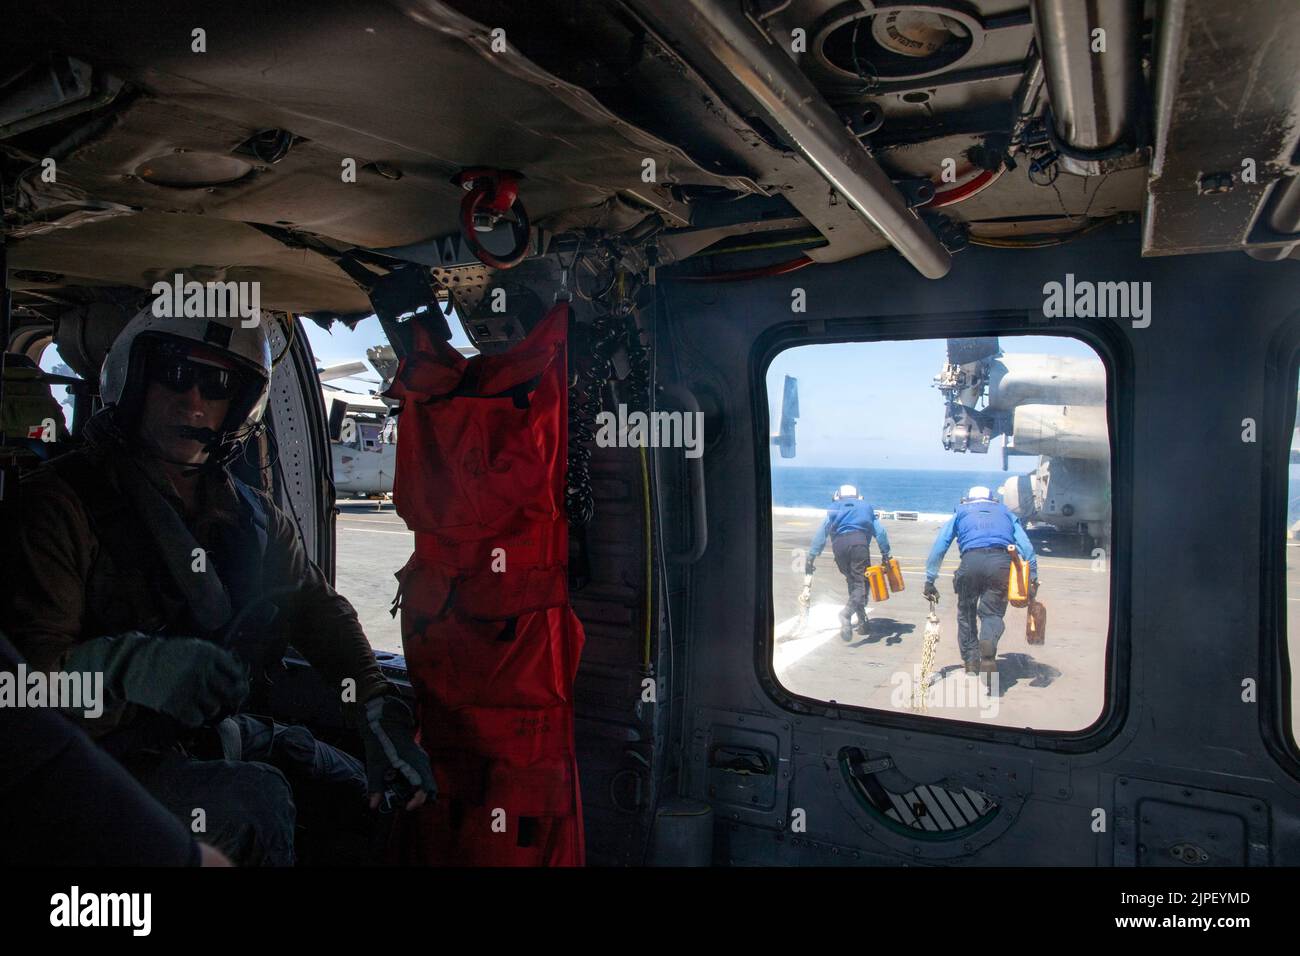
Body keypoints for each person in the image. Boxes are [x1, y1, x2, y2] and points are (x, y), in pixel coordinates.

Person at [0, 304, 436, 865]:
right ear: (133, 380)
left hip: (202, 734)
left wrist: (375, 706)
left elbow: (315, 609)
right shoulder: (58, 507)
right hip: (93, 759)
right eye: (176, 373)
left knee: (360, 790)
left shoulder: (251, 513)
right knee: (256, 798)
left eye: (220, 383)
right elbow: (24, 692)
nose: (195, 400)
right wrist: (127, 669)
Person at [923, 486, 1040, 674]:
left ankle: (971, 662)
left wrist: (930, 579)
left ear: (967, 499)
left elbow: (940, 545)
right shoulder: (1005, 513)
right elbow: (1025, 546)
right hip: (1001, 564)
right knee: (993, 613)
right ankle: (988, 644)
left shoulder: (961, 513)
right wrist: (1033, 576)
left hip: (971, 561)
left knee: (966, 613)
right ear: (993, 500)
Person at [802, 484, 893, 641]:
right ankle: (846, 615)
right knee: (861, 585)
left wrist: (811, 556)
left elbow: (821, 533)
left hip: (839, 549)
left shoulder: (835, 508)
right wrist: (886, 554)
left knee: (854, 582)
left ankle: (862, 621)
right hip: (859, 546)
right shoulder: (865, 508)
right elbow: (881, 532)